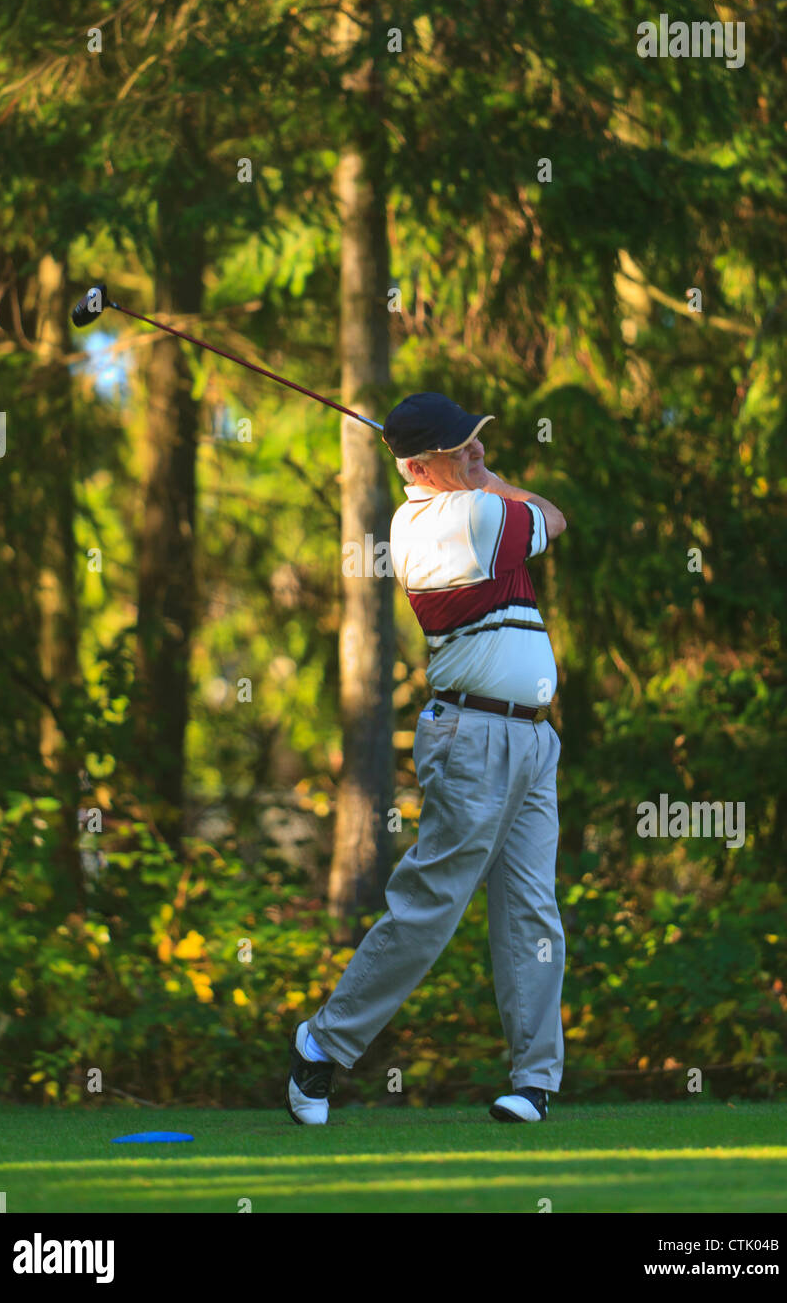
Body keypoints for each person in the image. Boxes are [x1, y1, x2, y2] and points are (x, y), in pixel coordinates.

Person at [286, 392, 568, 1124]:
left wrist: (472, 467)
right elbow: (554, 517)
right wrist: (492, 478)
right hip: (474, 739)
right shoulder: (449, 519)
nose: (478, 455)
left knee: (532, 913)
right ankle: (321, 1046)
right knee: (431, 907)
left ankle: (533, 1082)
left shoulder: (466, 503)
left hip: (532, 739)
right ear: (417, 468)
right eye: (463, 449)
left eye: (480, 441)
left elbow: (532, 516)